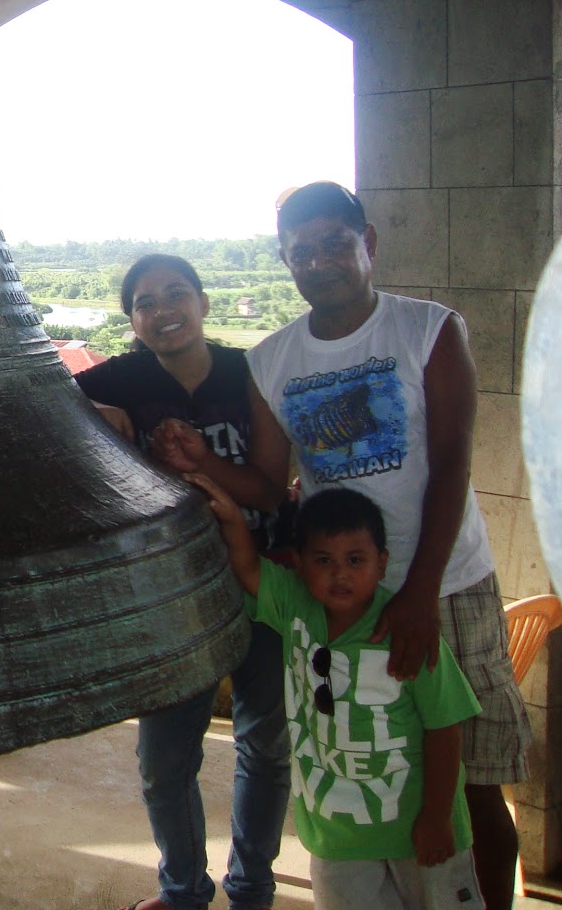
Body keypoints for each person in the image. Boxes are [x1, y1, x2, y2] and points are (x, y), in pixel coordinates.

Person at [246, 181, 528, 910]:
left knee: (472, 785)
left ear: (368, 243)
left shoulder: (428, 329)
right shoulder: (272, 360)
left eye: (335, 243)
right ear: (286, 262)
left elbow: (454, 459)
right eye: (299, 252)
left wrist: (420, 592)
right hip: (339, 594)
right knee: (373, 773)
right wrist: (182, 464)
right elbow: (269, 486)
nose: (319, 262)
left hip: (445, 585)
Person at [74, 254, 290, 910]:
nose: (163, 310)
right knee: (164, 763)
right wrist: (94, 410)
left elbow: (271, 492)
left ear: (201, 302)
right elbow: (34, 394)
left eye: (176, 295)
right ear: (132, 320)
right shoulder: (123, 376)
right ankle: (184, 890)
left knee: (265, 745)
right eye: (146, 302)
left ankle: (251, 889)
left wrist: (203, 464)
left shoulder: (246, 373)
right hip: (172, 594)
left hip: (261, 578)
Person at [195, 474, 485, 909]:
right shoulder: (294, 608)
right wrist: (230, 515)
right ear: (299, 562)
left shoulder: (406, 632)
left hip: (419, 830)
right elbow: (249, 567)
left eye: (355, 560)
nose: (339, 575)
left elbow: (445, 727)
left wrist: (437, 817)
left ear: (382, 563)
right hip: (337, 836)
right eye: (324, 560)